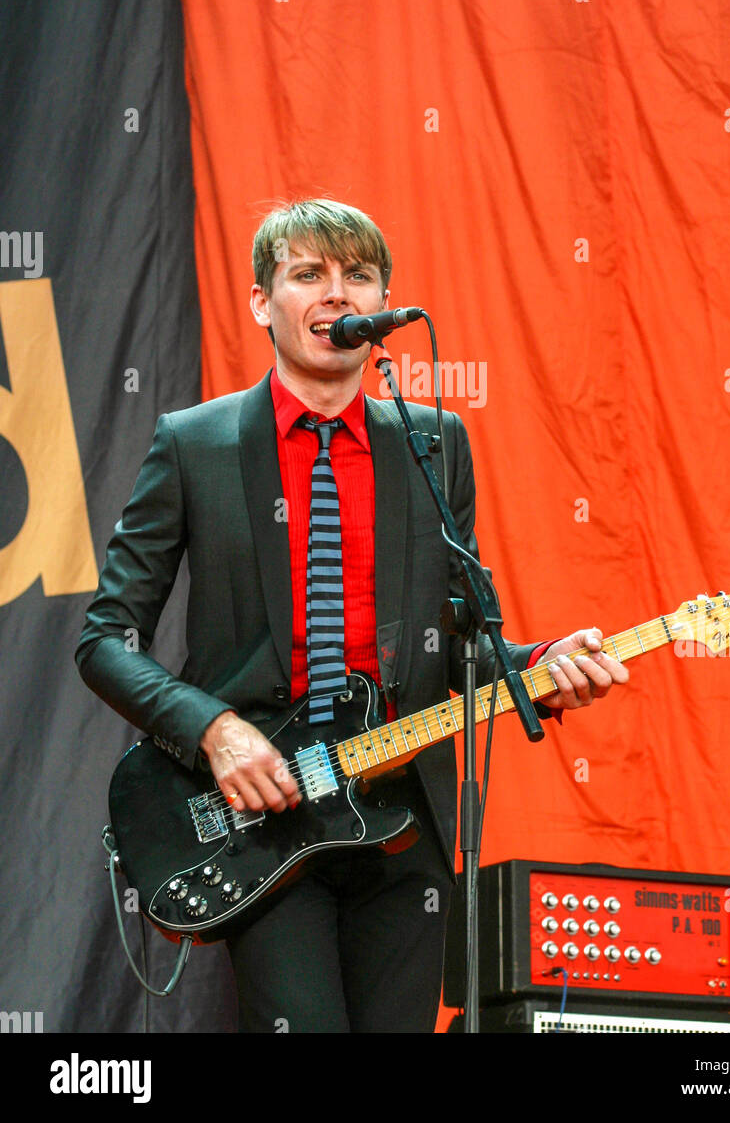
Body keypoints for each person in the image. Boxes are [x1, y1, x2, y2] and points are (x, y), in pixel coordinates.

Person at [76, 198, 628, 1032]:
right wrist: (214, 730)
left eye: (357, 277)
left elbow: (462, 633)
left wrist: (544, 668)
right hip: (267, 819)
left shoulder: (434, 441)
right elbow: (106, 639)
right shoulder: (194, 443)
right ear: (263, 303)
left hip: (405, 814)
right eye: (309, 276)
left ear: (383, 305)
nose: (337, 295)